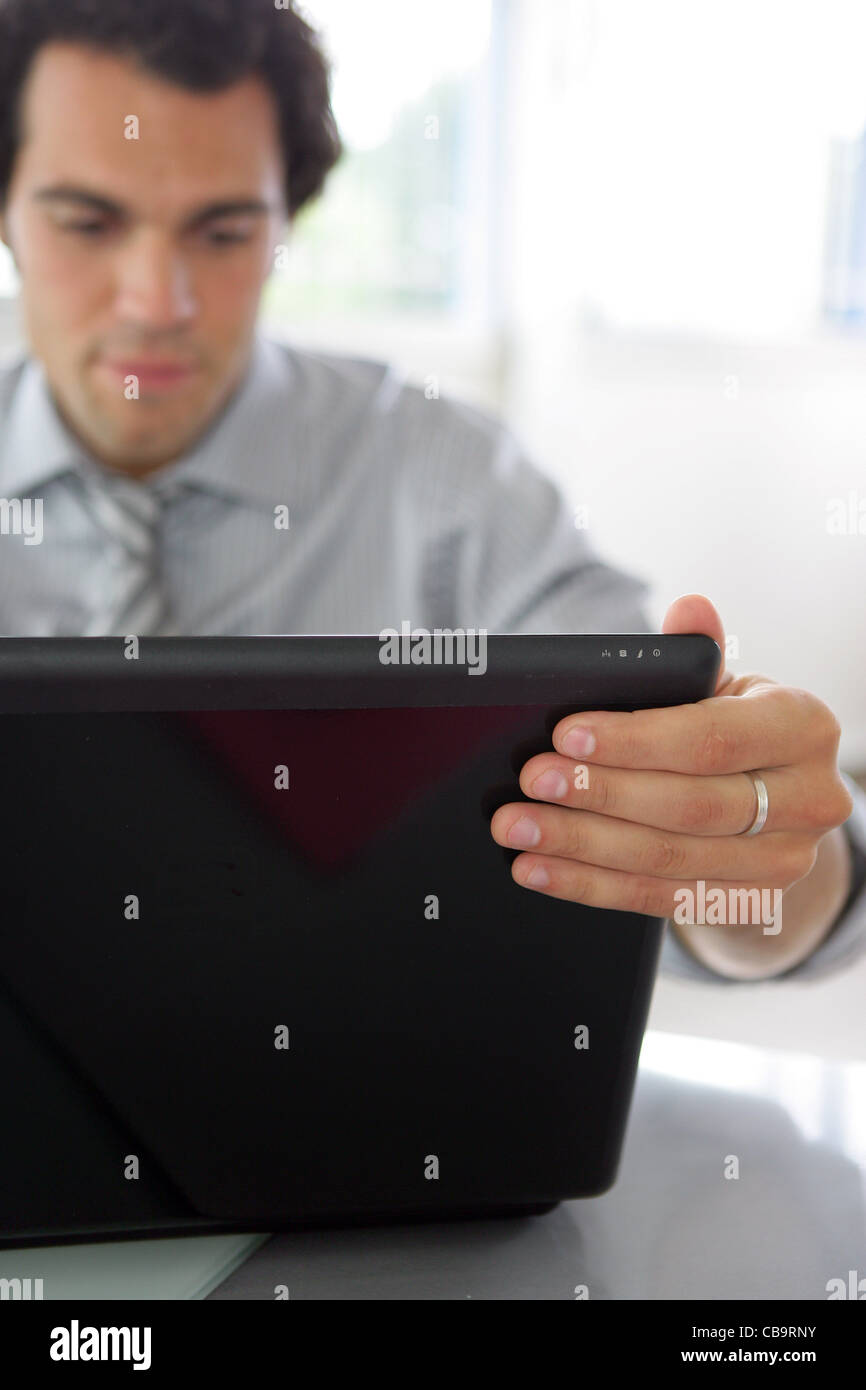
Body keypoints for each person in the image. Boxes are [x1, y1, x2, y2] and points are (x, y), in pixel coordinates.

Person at [0, 0, 864, 985]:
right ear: (7, 215)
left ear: (288, 219)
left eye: (224, 230)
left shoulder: (449, 483)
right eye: (87, 222)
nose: (158, 301)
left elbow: (704, 866)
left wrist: (756, 845)